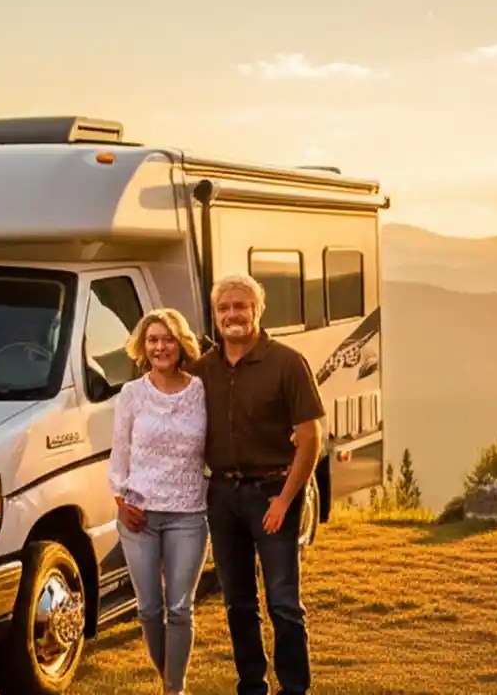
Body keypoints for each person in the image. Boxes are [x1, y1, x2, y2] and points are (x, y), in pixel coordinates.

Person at [187, 273, 325, 695]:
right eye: (224, 307)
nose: (233, 314)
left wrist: (285, 500)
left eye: (241, 306)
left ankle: (294, 688)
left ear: (258, 310)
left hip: (272, 493)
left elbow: (311, 439)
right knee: (238, 602)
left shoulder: (287, 362)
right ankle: (251, 685)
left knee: (283, 601)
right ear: (215, 315)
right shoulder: (203, 369)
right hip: (222, 496)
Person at [107, 307, 209, 695]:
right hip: (139, 516)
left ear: (181, 344)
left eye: (167, 339)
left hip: (188, 513)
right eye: (152, 339)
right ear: (142, 346)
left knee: (180, 607)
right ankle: (168, 680)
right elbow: (119, 454)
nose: (160, 346)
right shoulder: (131, 395)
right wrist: (119, 498)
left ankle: (174, 690)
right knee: (148, 609)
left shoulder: (201, 390)